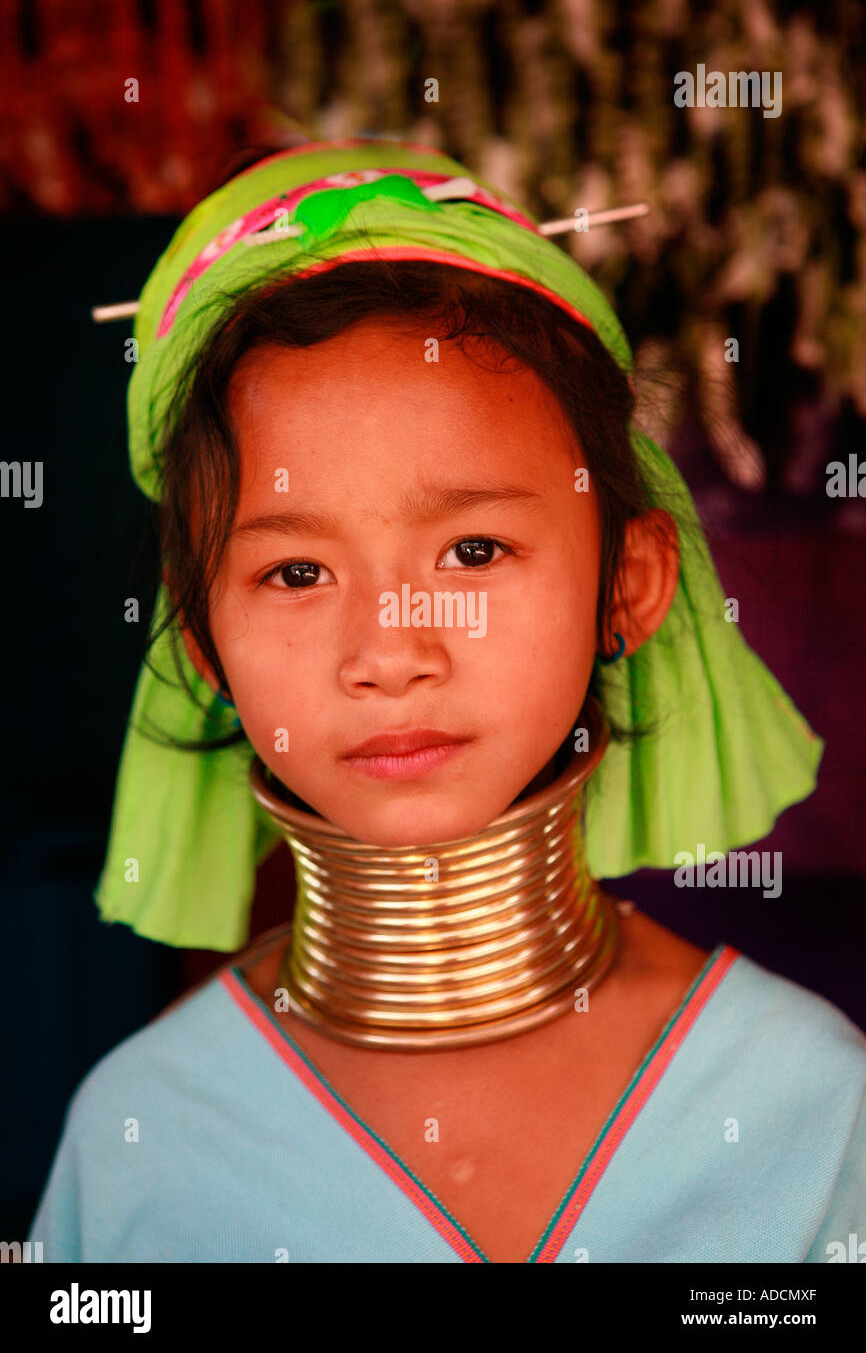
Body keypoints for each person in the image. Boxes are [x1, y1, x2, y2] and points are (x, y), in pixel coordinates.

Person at [29, 137, 864, 1263]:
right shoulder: (143, 1137)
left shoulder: (806, 1105)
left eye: (472, 549)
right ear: (202, 642)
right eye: (295, 573)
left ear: (627, 584)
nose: (389, 651)